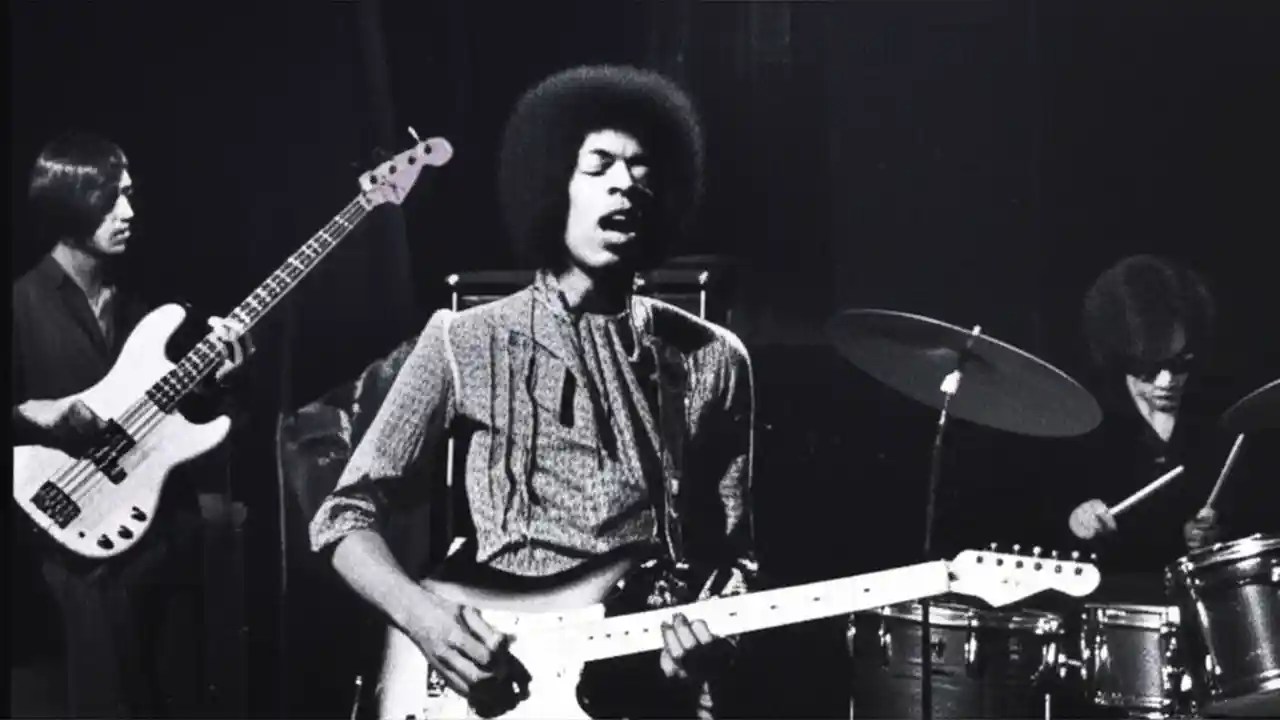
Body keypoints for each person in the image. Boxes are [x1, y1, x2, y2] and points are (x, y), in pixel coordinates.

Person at [308, 65, 758, 718]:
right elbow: (342, 519)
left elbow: (734, 559)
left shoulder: (716, 359)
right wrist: (429, 623)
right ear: (554, 185)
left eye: (641, 169)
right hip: (502, 682)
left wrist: (716, 637)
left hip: (645, 694)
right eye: (599, 164)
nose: (624, 185)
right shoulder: (464, 339)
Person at [10, 131, 250, 718]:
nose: (129, 212)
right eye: (110, 198)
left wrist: (221, 379)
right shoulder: (19, 303)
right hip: (78, 557)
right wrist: (38, 413)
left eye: (130, 194)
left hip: (164, 538)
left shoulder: (145, 302)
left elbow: (178, 420)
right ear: (67, 202)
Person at [1058, 254, 1242, 602]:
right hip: (1110, 604)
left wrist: (1206, 535)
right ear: (1121, 358)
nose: (1167, 382)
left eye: (1179, 364)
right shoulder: (1086, 418)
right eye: (1148, 368)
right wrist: (1077, 520)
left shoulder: (1214, 417)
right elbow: (1046, 515)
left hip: (1197, 603)